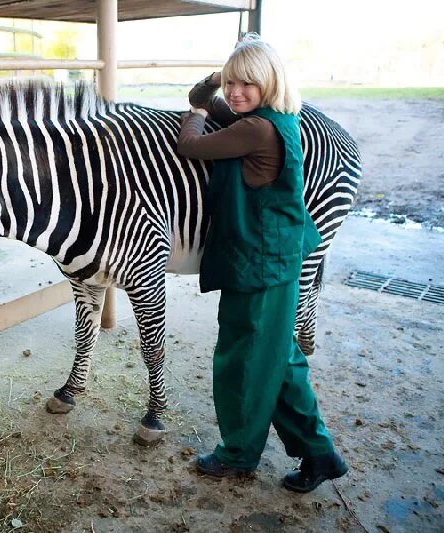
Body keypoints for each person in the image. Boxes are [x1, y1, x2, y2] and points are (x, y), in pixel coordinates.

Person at [176, 34, 348, 493]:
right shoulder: (277, 118)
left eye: (247, 84)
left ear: (269, 82)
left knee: (243, 361)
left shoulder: (255, 129)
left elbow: (191, 145)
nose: (235, 93)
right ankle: (320, 454)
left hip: (260, 266)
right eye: (231, 83)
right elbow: (231, 111)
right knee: (280, 360)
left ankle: (237, 455)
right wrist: (216, 85)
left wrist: (196, 111)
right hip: (276, 260)